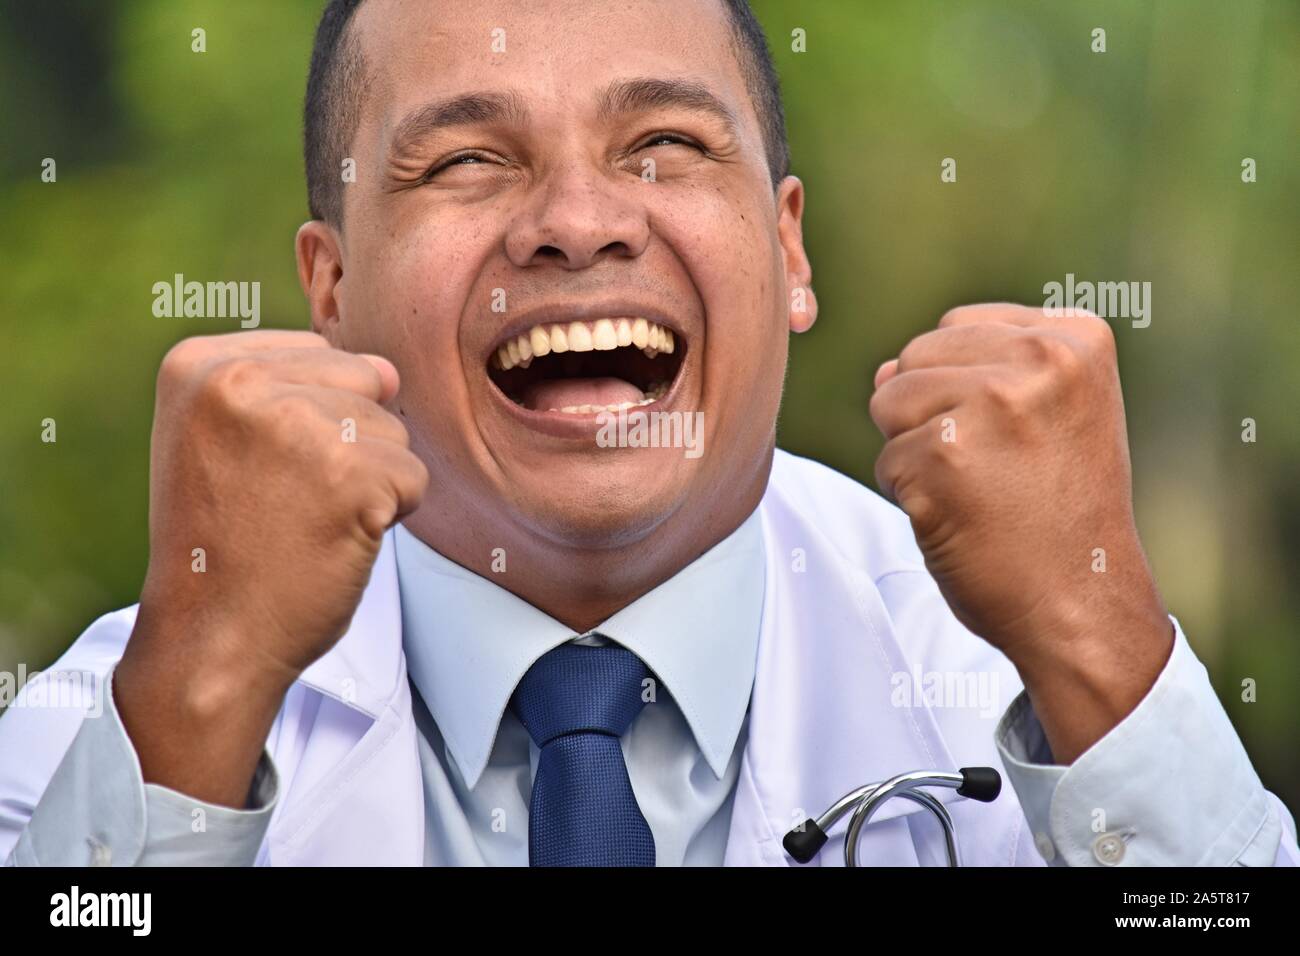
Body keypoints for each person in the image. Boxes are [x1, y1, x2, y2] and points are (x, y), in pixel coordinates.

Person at [1, 0, 1294, 867]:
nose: (576, 219)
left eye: (665, 145)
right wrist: (201, 692)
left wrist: (1100, 635)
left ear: (788, 248)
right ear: (329, 291)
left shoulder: (1020, 680)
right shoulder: (100, 732)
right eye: (465, 162)